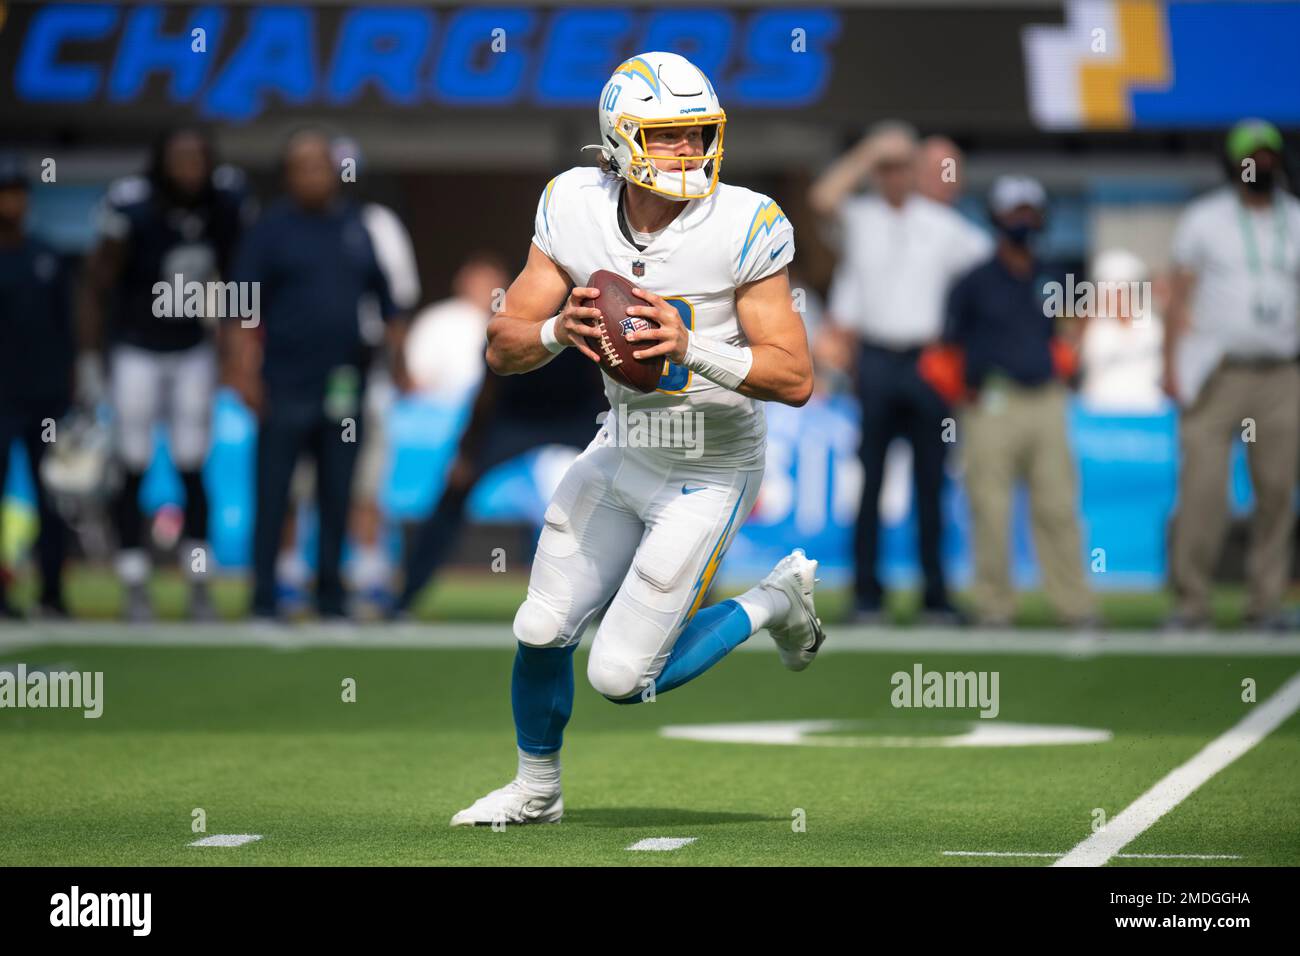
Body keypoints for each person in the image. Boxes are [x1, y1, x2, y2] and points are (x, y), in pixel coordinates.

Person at [450, 52, 822, 827]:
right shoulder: (573, 205)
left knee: (623, 677)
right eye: (668, 136)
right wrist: (558, 328)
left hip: (712, 465)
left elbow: (794, 379)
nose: (688, 152)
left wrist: (689, 347)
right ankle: (536, 790)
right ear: (620, 139)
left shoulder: (746, 222)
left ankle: (775, 600)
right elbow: (504, 344)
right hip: (622, 443)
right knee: (541, 626)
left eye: (699, 135)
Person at [810, 121, 991, 625]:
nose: (891, 177)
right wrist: (869, 151)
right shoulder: (862, 217)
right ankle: (868, 595)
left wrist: (963, 347)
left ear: (914, 172)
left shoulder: (942, 224)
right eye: (884, 169)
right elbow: (822, 197)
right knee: (870, 481)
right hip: (875, 359)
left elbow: (989, 271)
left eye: (900, 167)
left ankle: (936, 594)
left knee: (932, 483)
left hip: (928, 360)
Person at [227, 129, 406, 622]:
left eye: (321, 165)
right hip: (284, 382)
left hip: (344, 384)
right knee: (275, 491)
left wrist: (401, 360)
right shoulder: (270, 229)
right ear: (288, 175)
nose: (314, 175)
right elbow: (241, 307)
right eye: (303, 166)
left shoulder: (356, 225)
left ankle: (331, 596)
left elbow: (386, 301)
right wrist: (242, 372)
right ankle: (264, 598)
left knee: (338, 491)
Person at [80, 127, 250, 622]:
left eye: (198, 158)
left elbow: (238, 277)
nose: (189, 168)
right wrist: (91, 359)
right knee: (131, 462)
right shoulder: (132, 204)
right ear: (160, 162)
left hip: (192, 346)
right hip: (136, 347)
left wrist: (235, 347)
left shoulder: (225, 202)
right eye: (180, 158)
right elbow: (97, 281)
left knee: (192, 465)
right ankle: (134, 579)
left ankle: (198, 581)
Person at [392, 253, 611, 618]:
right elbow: (488, 389)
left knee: (632, 491)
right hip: (513, 418)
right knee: (454, 492)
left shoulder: (588, 306)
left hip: (577, 414)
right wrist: (467, 452)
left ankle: (678, 599)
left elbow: (604, 380)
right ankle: (404, 597)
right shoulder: (511, 318)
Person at [1164, 119, 1300, 631]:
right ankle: (1191, 603)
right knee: (1202, 488)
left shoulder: (1296, 218)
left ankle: (1265, 603)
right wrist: (1169, 366)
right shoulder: (1205, 219)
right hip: (1216, 373)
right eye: (1250, 155)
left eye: (1267, 154)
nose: (1259, 163)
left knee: (1278, 490)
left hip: (1281, 374)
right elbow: (1177, 296)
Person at [944, 175, 1096, 628]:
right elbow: (948, 346)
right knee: (990, 507)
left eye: (1031, 211)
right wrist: (964, 394)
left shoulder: (1054, 274)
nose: (1024, 220)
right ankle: (995, 606)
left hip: (1046, 399)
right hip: (992, 400)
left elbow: (1073, 328)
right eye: (1015, 212)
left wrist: (1069, 364)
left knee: (1058, 506)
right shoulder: (973, 281)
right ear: (996, 218)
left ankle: (1075, 606)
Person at [0, 155, 74, 620]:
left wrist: (74, 384)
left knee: (54, 497)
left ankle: (52, 593)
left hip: (46, 399)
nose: (13, 202)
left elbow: (68, 328)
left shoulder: (46, 255)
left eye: (19, 193)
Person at [1079, 248, 1165, 413]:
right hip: (1102, 411)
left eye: (1122, 291)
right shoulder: (1096, 328)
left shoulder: (1153, 326)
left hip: (1148, 411)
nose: (1117, 297)